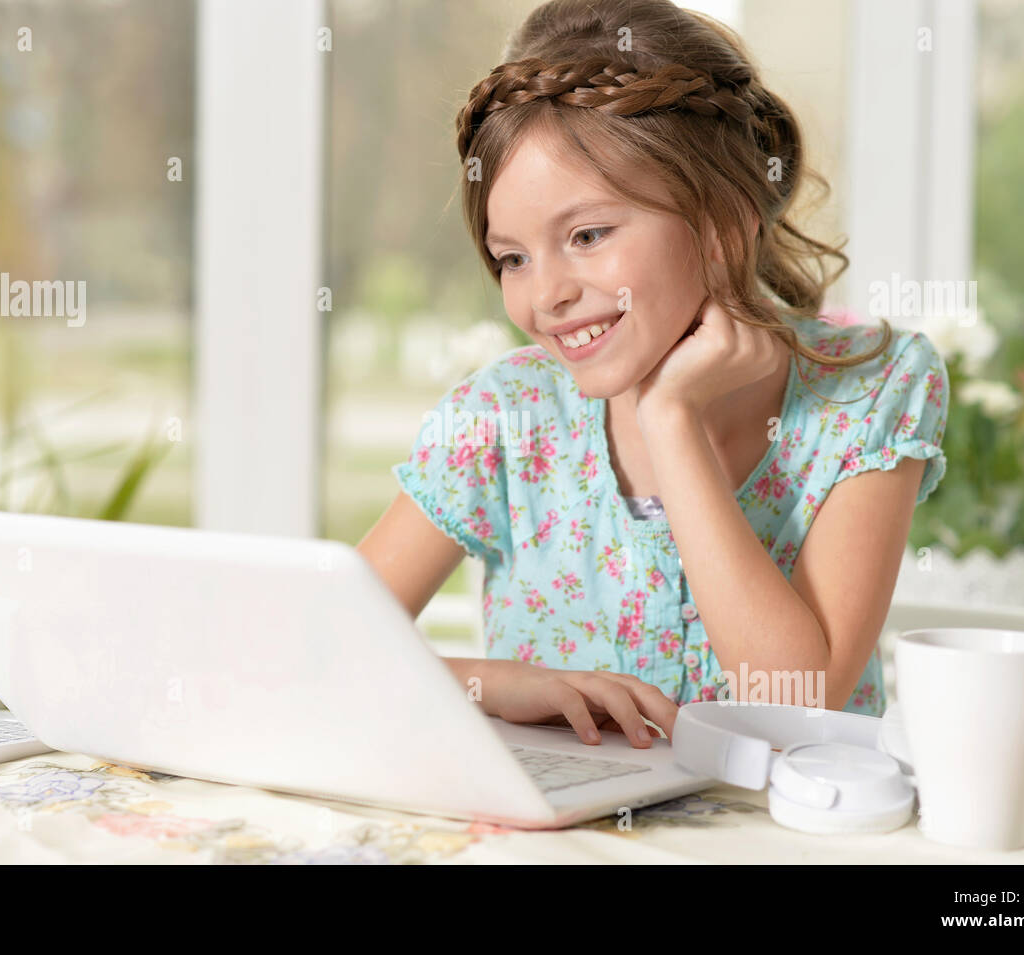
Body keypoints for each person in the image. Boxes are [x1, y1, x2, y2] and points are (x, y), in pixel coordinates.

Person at [355, 0, 949, 749]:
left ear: (723, 226)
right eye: (513, 257)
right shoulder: (504, 416)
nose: (546, 295)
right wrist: (492, 681)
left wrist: (673, 422)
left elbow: (803, 701)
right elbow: (314, 648)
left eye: (588, 234)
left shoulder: (872, 389)